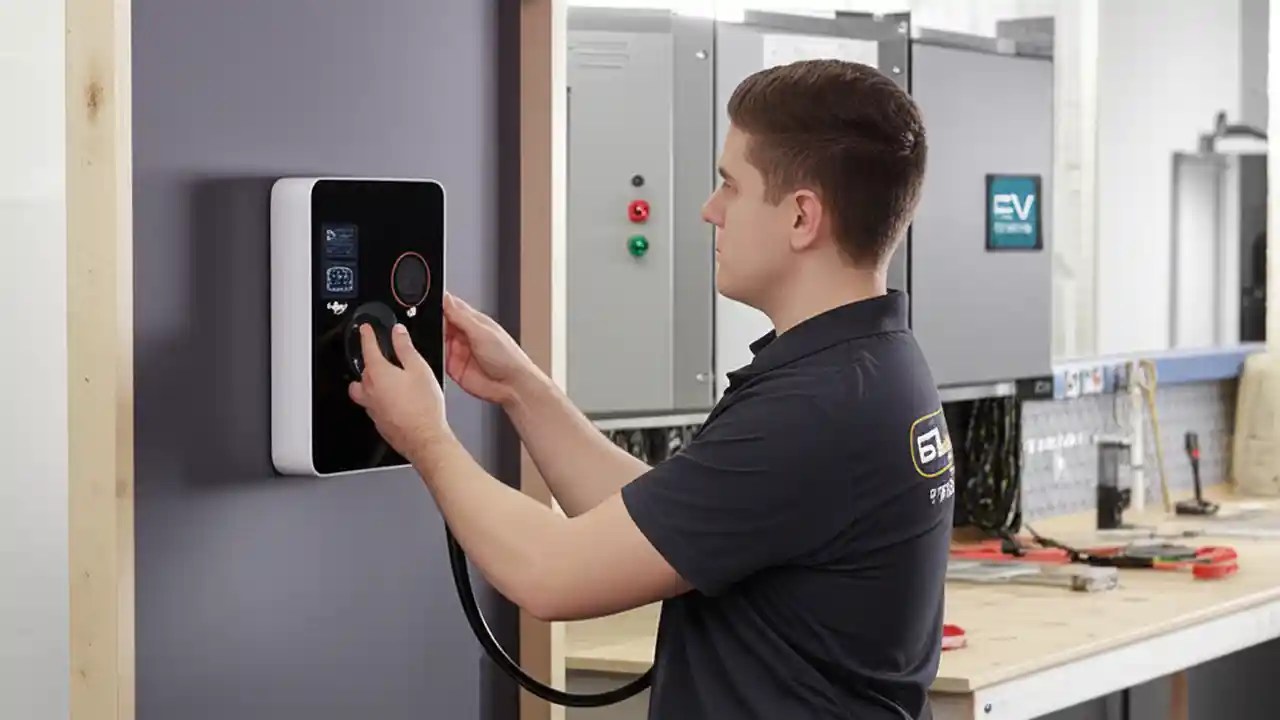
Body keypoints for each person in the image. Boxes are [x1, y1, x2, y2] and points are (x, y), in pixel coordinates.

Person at [349, 58, 954, 720]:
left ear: (802, 217)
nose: (710, 210)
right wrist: (521, 388)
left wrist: (425, 437)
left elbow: (549, 572)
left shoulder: (817, 409)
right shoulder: (872, 367)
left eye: (731, 185)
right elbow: (662, 523)